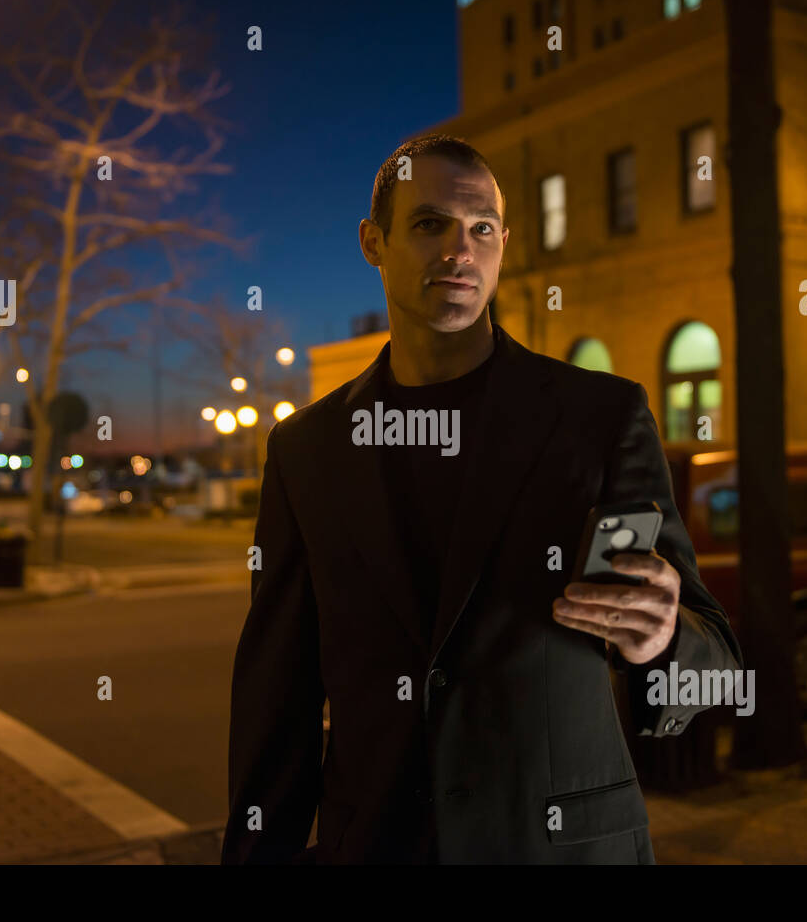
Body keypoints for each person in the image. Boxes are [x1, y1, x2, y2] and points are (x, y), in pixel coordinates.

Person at [222, 133, 741, 864]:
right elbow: (276, 703)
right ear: (374, 241)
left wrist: (662, 640)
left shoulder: (599, 418)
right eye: (431, 223)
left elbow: (714, 663)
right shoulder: (306, 450)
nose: (460, 252)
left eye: (483, 229)